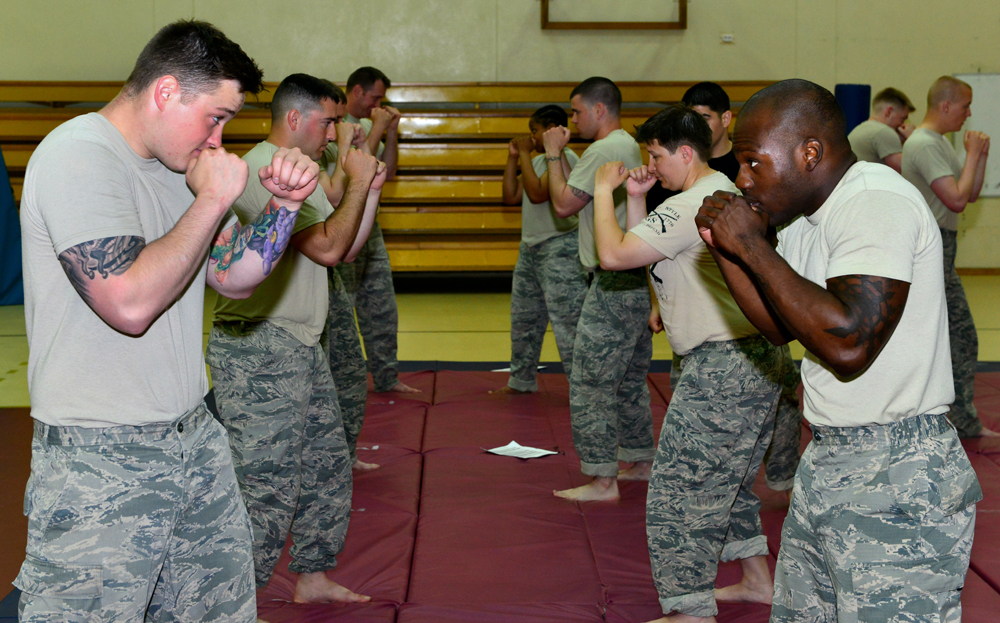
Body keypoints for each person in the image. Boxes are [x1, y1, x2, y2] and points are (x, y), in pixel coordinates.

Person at [14, 20, 319, 622]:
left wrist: (282, 208)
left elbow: (233, 275)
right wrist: (211, 200)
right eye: (216, 116)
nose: (220, 136)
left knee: (222, 611)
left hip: (193, 437)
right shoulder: (79, 156)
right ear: (166, 91)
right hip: (99, 454)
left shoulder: (180, 166)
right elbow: (128, 303)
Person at [697, 79, 982, 623]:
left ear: (809, 153)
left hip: (898, 471)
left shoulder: (874, 200)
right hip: (832, 457)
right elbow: (784, 327)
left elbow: (850, 342)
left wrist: (753, 244)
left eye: (754, 162)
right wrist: (730, 251)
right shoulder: (808, 217)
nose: (743, 179)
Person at [592, 105, 783, 622]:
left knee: (680, 488)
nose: (651, 167)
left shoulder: (694, 202)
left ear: (683, 152)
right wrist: (635, 199)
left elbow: (612, 255)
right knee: (729, 481)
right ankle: (757, 582)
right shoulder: (718, 192)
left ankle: (688, 610)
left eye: (655, 156)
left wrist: (599, 194)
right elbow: (647, 252)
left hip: (724, 364)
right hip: (748, 359)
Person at [206, 73, 384, 606]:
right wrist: (354, 182)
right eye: (328, 122)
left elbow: (346, 250)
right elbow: (329, 249)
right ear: (295, 119)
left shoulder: (299, 172)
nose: (334, 134)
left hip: (300, 344)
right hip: (259, 348)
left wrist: (367, 191)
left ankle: (312, 576)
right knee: (266, 484)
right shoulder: (267, 171)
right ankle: (238, 601)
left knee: (327, 466)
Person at [647, 82, 805, 492]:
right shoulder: (675, 178)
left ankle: (784, 481)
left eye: (705, 117)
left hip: (750, 320)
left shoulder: (743, 175)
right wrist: (657, 302)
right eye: (691, 117)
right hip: (702, 326)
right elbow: (660, 253)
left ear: (725, 120)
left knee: (780, 397)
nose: (697, 124)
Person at [543, 77, 652, 501]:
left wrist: (553, 155)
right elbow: (581, 194)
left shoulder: (603, 150)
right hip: (633, 278)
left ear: (599, 110)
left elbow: (563, 204)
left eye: (577, 112)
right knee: (627, 378)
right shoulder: (624, 144)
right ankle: (641, 459)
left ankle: (602, 479)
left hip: (612, 281)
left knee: (590, 380)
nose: (573, 119)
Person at [902, 75, 996, 439]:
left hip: (943, 247)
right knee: (961, 336)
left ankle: (952, 417)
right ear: (945, 106)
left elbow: (969, 194)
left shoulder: (936, 142)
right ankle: (961, 420)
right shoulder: (924, 144)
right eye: (965, 106)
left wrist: (980, 157)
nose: (968, 114)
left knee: (950, 337)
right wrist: (972, 153)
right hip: (931, 248)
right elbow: (955, 199)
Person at [335, 66, 420, 394]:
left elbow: (390, 170)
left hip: (371, 229)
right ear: (357, 91)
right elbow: (359, 170)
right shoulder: (338, 126)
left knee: (382, 306)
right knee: (342, 311)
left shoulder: (370, 125)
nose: (378, 104)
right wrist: (378, 128)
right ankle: (342, 384)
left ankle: (387, 377)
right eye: (375, 97)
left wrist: (390, 131)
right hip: (343, 228)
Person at [492, 104, 587, 394]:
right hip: (531, 249)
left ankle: (580, 388)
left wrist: (522, 153)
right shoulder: (536, 162)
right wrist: (513, 159)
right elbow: (511, 196)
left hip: (561, 249)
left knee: (567, 323)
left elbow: (536, 195)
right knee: (524, 319)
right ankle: (521, 380)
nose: (529, 137)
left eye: (533, 131)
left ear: (548, 132)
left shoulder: (563, 157)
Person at [847, 87, 916, 172]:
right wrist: (913, 139)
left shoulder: (860, 128)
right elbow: (906, 171)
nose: (902, 124)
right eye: (902, 119)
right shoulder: (884, 131)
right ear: (889, 111)